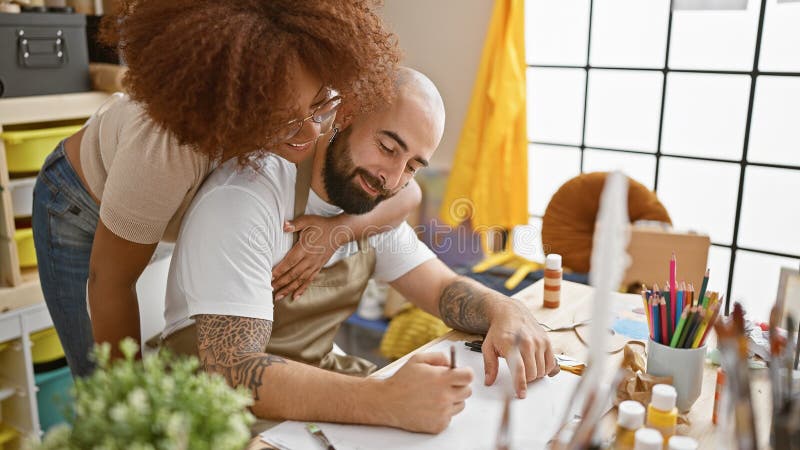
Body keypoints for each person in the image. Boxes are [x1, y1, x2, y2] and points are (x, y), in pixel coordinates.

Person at [31, 0, 421, 378]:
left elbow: (408, 194)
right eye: (284, 120)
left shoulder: (307, 90)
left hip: (160, 210)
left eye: (321, 105)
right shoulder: (167, 150)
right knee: (101, 381)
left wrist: (339, 232)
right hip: (78, 205)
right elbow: (112, 282)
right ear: (236, 106)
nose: (312, 131)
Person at [161, 68, 555, 434]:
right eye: (387, 147)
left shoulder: (365, 207)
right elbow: (233, 372)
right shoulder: (245, 199)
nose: (392, 178)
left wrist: (503, 309)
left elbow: (440, 289)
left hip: (315, 393)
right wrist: (385, 400)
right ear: (346, 113)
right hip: (216, 415)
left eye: (413, 166)